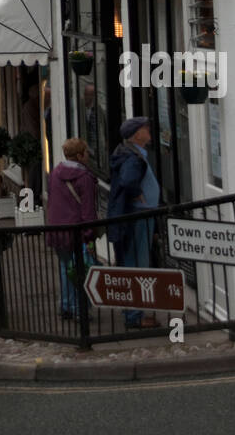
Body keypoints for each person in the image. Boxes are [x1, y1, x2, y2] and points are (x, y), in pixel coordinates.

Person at [107, 117, 160, 328]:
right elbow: (129, 181)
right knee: (136, 263)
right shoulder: (133, 157)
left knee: (132, 262)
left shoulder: (129, 153)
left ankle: (132, 310)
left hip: (137, 216)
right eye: (146, 129)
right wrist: (139, 195)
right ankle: (134, 315)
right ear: (137, 134)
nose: (149, 131)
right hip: (138, 217)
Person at [46, 138, 98, 320]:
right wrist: (89, 236)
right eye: (86, 153)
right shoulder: (84, 178)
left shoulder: (54, 174)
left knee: (65, 267)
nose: (88, 157)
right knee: (79, 269)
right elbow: (88, 210)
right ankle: (78, 308)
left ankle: (66, 305)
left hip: (58, 230)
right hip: (77, 231)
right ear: (79, 155)